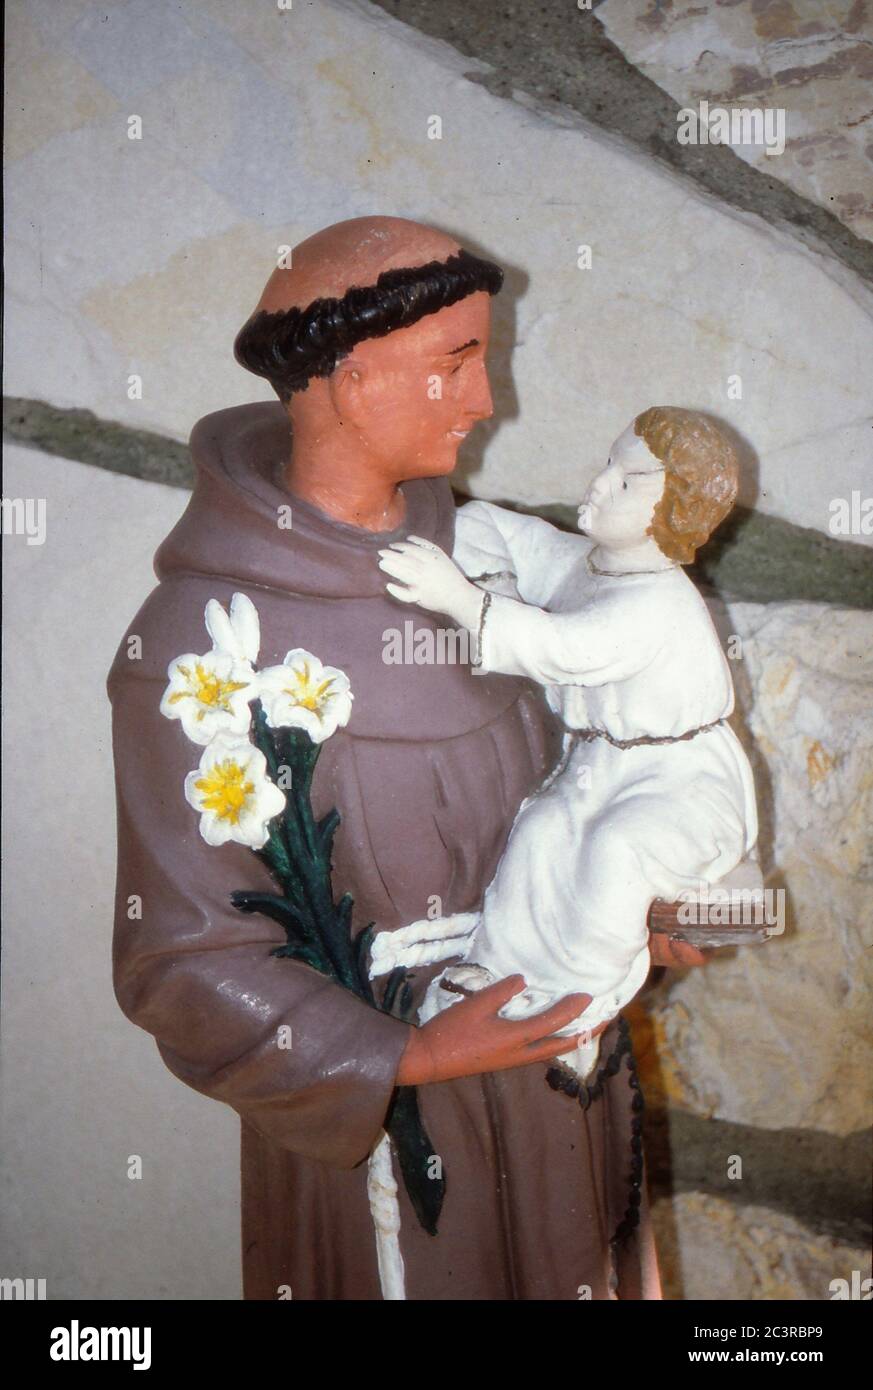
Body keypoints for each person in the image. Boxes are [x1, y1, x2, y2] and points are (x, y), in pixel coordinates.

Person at [108, 215, 693, 1300]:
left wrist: (623, 906)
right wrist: (403, 1060)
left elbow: (577, 781)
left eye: (486, 361)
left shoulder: (493, 568)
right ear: (347, 376)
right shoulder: (203, 644)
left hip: (563, 1086)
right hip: (390, 1140)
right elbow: (177, 962)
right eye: (456, 364)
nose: (486, 402)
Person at [374, 408, 759, 1082]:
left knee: (617, 851)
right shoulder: (583, 565)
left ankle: (578, 1006)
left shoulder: (657, 602)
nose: (601, 482)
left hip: (681, 780)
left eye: (630, 480)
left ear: (676, 510)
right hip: (598, 763)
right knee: (543, 830)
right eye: (608, 462)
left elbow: (565, 649)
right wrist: (491, 582)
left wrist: (463, 602)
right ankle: (498, 973)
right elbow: (493, 528)